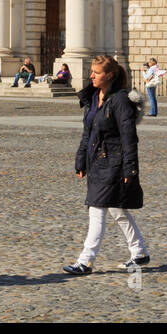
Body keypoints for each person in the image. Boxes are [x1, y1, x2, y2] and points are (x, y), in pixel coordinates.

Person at [62, 55, 149, 275]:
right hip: (96, 162)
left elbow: (129, 137)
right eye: (91, 71)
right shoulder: (93, 97)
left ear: (109, 75)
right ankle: (139, 252)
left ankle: (86, 261)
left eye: (96, 72)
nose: (91, 75)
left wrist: (130, 168)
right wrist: (80, 158)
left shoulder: (119, 100)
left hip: (114, 162)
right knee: (117, 209)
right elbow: (87, 132)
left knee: (96, 208)